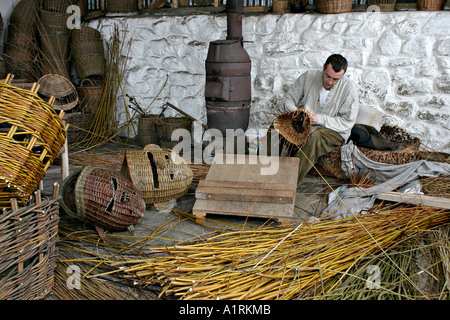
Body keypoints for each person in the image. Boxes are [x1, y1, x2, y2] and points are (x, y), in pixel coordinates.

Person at [275, 54, 360, 185]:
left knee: (315, 137)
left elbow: (347, 122)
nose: (330, 81)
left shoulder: (349, 89)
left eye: (336, 79)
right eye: (328, 76)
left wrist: (319, 119)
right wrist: (297, 113)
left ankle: (287, 184)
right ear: (323, 68)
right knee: (277, 127)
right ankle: (266, 173)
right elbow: (289, 99)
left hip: (333, 131)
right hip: (305, 124)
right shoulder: (309, 76)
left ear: (343, 75)